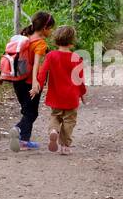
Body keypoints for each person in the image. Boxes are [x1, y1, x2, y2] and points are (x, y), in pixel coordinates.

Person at [37, 25, 88, 155]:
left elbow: (42, 73)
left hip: (55, 95)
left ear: (56, 40)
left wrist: (38, 86)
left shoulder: (51, 55)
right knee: (69, 121)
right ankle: (65, 146)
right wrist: (82, 93)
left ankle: (53, 131)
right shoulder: (76, 58)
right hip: (71, 96)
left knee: (55, 116)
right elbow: (79, 79)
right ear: (72, 41)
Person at [10, 11, 54, 151]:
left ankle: (24, 139)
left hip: (17, 81)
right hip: (30, 83)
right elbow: (36, 64)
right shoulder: (40, 43)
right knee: (32, 113)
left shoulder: (24, 37)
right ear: (44, 28)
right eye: (51, 28)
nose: (51, 31)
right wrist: (35, 83)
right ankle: (19, 131)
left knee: (27, 110)